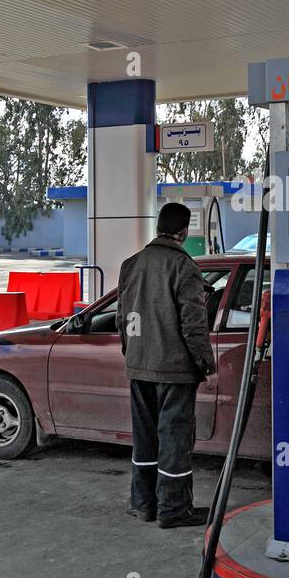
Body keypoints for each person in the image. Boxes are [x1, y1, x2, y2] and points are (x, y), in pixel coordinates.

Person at [116, 202, 217, 528]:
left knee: (144, 435)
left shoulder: (131, 265)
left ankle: (144, 504)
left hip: (139, 365)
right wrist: (205, 363)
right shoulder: (184, 267)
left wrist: (131, 353)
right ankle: (173, 510)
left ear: (159, 226)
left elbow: (122, 318)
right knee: (174, 438)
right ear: (184, 231)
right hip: (174, 369)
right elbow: (193, 324)